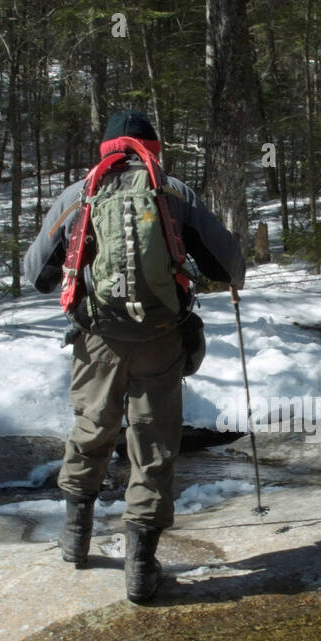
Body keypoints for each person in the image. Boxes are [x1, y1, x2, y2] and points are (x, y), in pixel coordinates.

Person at [24, 109, 245, 602]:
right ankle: (141, 570)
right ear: (153, 147)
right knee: (154, 443)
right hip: (161, 339)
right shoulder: (173, 191)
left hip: (97, 339)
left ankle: (76, 540)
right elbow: (227, 261)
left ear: (106, 148)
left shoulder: (79, 193)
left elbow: (35, 273)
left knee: (92, 428)